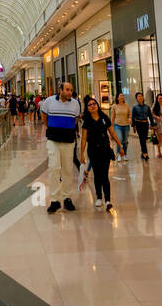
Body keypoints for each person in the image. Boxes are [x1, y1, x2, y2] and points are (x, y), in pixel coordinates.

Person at [40, 81, 80, 213]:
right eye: (67, 90)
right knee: (54, 168)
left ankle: (67, 198)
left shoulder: (75, 103)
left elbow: (75, 120)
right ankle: (55, 200)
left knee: (68, 169)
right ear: (60, 90)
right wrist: (52, 129)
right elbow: (44, 117)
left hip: (68, 141)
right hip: (53, 140)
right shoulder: (49, 101)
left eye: (71, 90)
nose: (70, 92)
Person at [80, 96, 120, 212]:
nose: (92, 106)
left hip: (105, 150)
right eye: (90, 105)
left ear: (97, 105)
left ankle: (108, 200)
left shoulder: (104, 118)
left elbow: (112, 132)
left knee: (104, 175)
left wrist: (120, 146)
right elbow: (83, 139)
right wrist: (82, 154)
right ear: (87, 108)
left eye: (94, 104)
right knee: (97, 175)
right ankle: (98, 197)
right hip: (93, 150)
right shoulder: (87, 121)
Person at [130, 92, 152, 161]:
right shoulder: (135, 107)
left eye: (141, 96)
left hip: (146, 124)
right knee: (142, 139)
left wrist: (153, 124)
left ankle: (142, 153)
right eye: (138, 96)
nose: (140, 97)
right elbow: (133, 117)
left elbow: (150, 116)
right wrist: (133, 126)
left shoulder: (147, 107)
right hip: (138, 124)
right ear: (136, 98)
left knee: (144, 139)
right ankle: (145, 154)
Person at [111, 93, 132, 161]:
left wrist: (130, 118)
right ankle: (119, 154)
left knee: (125, 141)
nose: (122, 97)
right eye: (120, 96)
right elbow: (113, 117)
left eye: (123, 96)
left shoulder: (127, 105)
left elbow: (129, 114)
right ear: (117, 98)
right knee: (119, 140)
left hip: (126, 125)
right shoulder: (114, 106)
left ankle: (124, 154)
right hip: (117, 125)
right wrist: (111, 126)